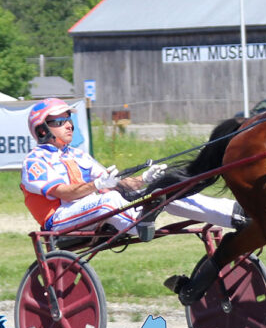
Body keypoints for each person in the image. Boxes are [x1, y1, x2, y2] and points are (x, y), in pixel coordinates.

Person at [20, 98, 247, 239]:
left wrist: (146, 180)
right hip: (60, 220)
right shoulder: (35, 161)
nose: (69, 125)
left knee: (164, 190)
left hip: (92, 210)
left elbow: (117, 184)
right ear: (42, 130)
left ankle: (233, 214)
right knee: (108, 200)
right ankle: (140, 223)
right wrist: (97, 185)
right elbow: (64, 193)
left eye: (68, 119)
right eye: (59, 121)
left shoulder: (78, 155)